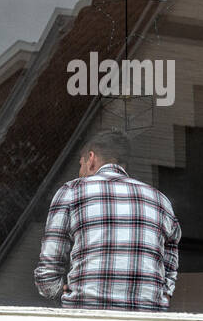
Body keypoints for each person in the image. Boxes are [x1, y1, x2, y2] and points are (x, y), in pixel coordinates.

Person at [34, 129, 181, 311]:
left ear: (91, 158)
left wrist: (60, 294)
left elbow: (48, 270)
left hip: (86, 316)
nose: (80, 171)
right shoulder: (160, 201)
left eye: (81, 164)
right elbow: (171, 259)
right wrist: (163, 296)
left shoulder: (72, 191)